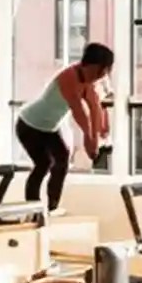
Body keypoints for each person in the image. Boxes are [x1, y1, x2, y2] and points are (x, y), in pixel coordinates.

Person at [14, 42, 113, 214]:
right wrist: (88, 138)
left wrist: (94, 141)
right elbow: (79, 111)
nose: (100, 77)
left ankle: (52, 207)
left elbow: (95, 108)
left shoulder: (88, 81)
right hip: (29, 125)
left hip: (49, 128)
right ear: (91, 65)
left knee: (62, 161)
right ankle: (33, 210)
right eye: (100, 72)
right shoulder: (69, 77)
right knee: (43, 164)